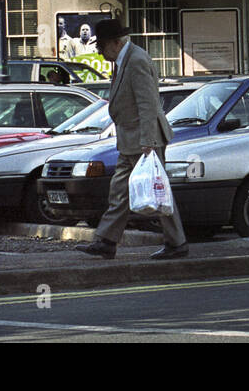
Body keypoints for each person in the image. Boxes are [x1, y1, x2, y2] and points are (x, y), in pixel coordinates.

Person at [77, 19, 188, 260]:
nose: (99, 51)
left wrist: (148, 140)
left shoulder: (136, 60)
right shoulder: (123, 59)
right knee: (120, 191)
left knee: (157, 191)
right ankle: (106, 241)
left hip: (144, 139)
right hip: (131, 140)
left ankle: (177, 243)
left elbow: (148, 103)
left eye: (102, 46)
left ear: (116, 43)